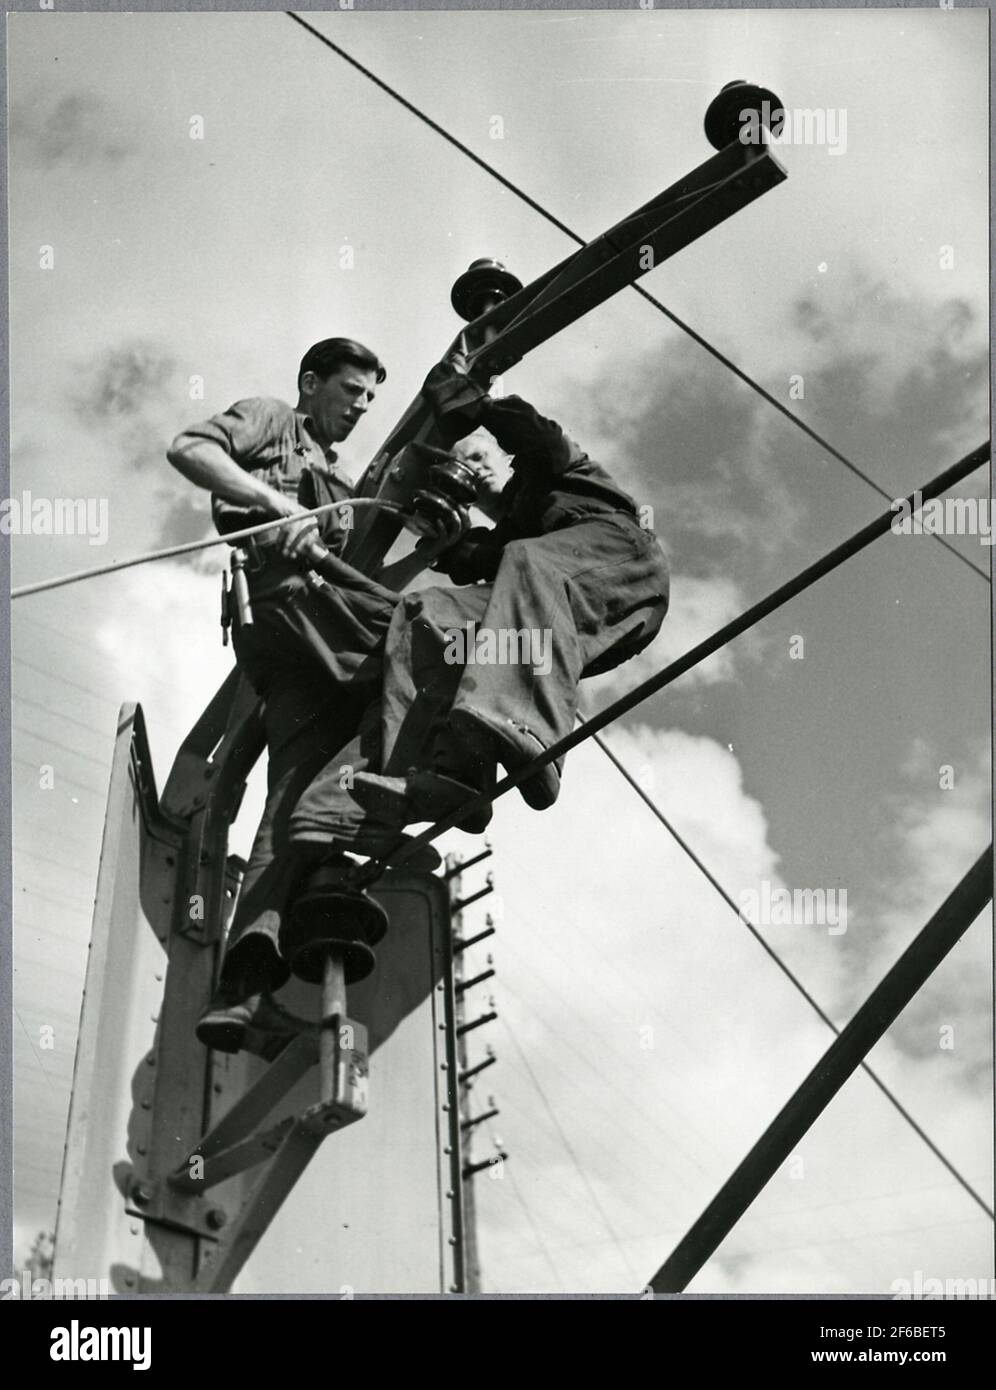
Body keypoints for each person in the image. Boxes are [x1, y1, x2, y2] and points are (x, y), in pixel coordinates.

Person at [167, 338, 447, 1052]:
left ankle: (243, 984)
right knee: (450, 645)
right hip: (287, 607)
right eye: (351, 391)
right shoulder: (270, 420)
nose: (360, 406)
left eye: (370, 399)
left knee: (290, 800)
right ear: (311, 383)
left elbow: (361, 582)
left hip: (307, 652)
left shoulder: (340, 477)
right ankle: (414, 791)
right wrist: (273, 506)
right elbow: (189, 448)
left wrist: (430, 547)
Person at [276, 356, 672, 849]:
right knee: (426, 616)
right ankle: (439, 780)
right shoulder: (506, 547)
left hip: (624, 566)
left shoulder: (550, 472)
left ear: (504, 462)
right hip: (560, 621)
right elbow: (474, 559)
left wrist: (475, 405)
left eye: (480, 460)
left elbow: (537, 435)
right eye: (462, 467)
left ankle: (525, 730)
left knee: (528, 563)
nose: (473, 473)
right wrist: (441, 542)